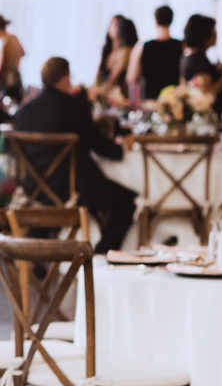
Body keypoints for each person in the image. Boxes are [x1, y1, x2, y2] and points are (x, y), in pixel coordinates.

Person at [10, 57, 136, 252]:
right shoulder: (74, 106)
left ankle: (37, 258)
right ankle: (99, 255)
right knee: (126, 202)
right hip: (71, 192)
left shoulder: (24, 113)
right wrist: (121, 149)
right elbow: (97, 144)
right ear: (65, 78)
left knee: (55, 190)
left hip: (33, 191)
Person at [129, 5, 182, 103]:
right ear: (171, 21)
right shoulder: (181, 46)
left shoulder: (141, 47)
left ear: (155, 21)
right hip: (173, 101)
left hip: (150, 102)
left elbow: (132, 77)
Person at [94, 15, 137, 97]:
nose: (116, 28)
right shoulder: (106, 51)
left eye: (118, 25)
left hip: (115, 95)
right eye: (114, 24)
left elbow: (113, 79)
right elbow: (98, 77)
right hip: (104, 92)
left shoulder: (125, 51)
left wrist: (97, 91)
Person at [0, 13, 25, 102]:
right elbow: (22, 53)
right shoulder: (14, 38)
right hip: (16, 77)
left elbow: (1, 66)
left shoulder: (4, 43)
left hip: (7, 82)